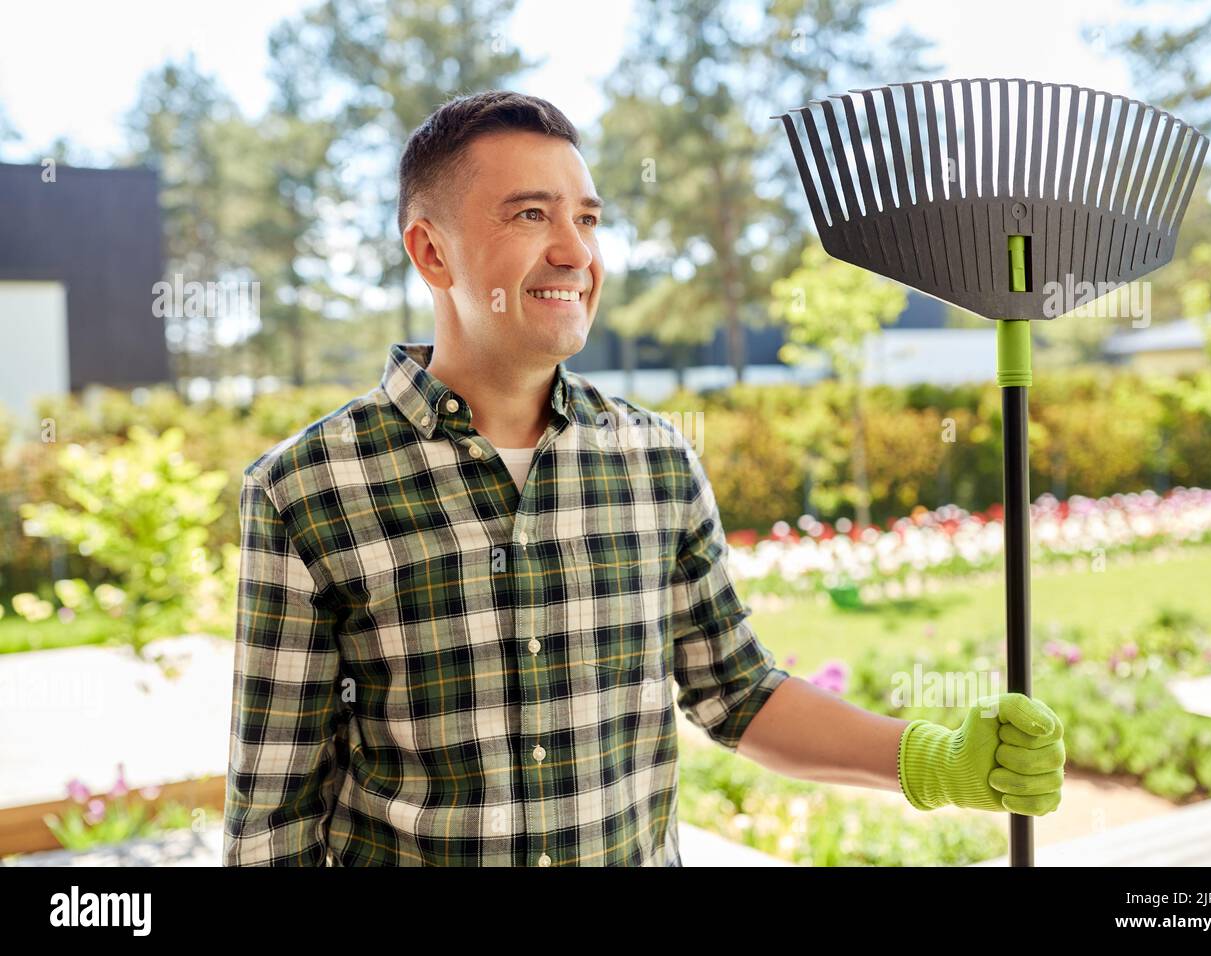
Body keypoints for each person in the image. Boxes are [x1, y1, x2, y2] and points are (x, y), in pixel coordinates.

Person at [222, 90, 1066, 867]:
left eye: (587, 219)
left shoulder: (656, 461)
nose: (574, 252)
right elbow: (273, 820)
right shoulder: (307, 490)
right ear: (430, 251)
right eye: (530, 214)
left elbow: (735, 692)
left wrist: (934, 760)